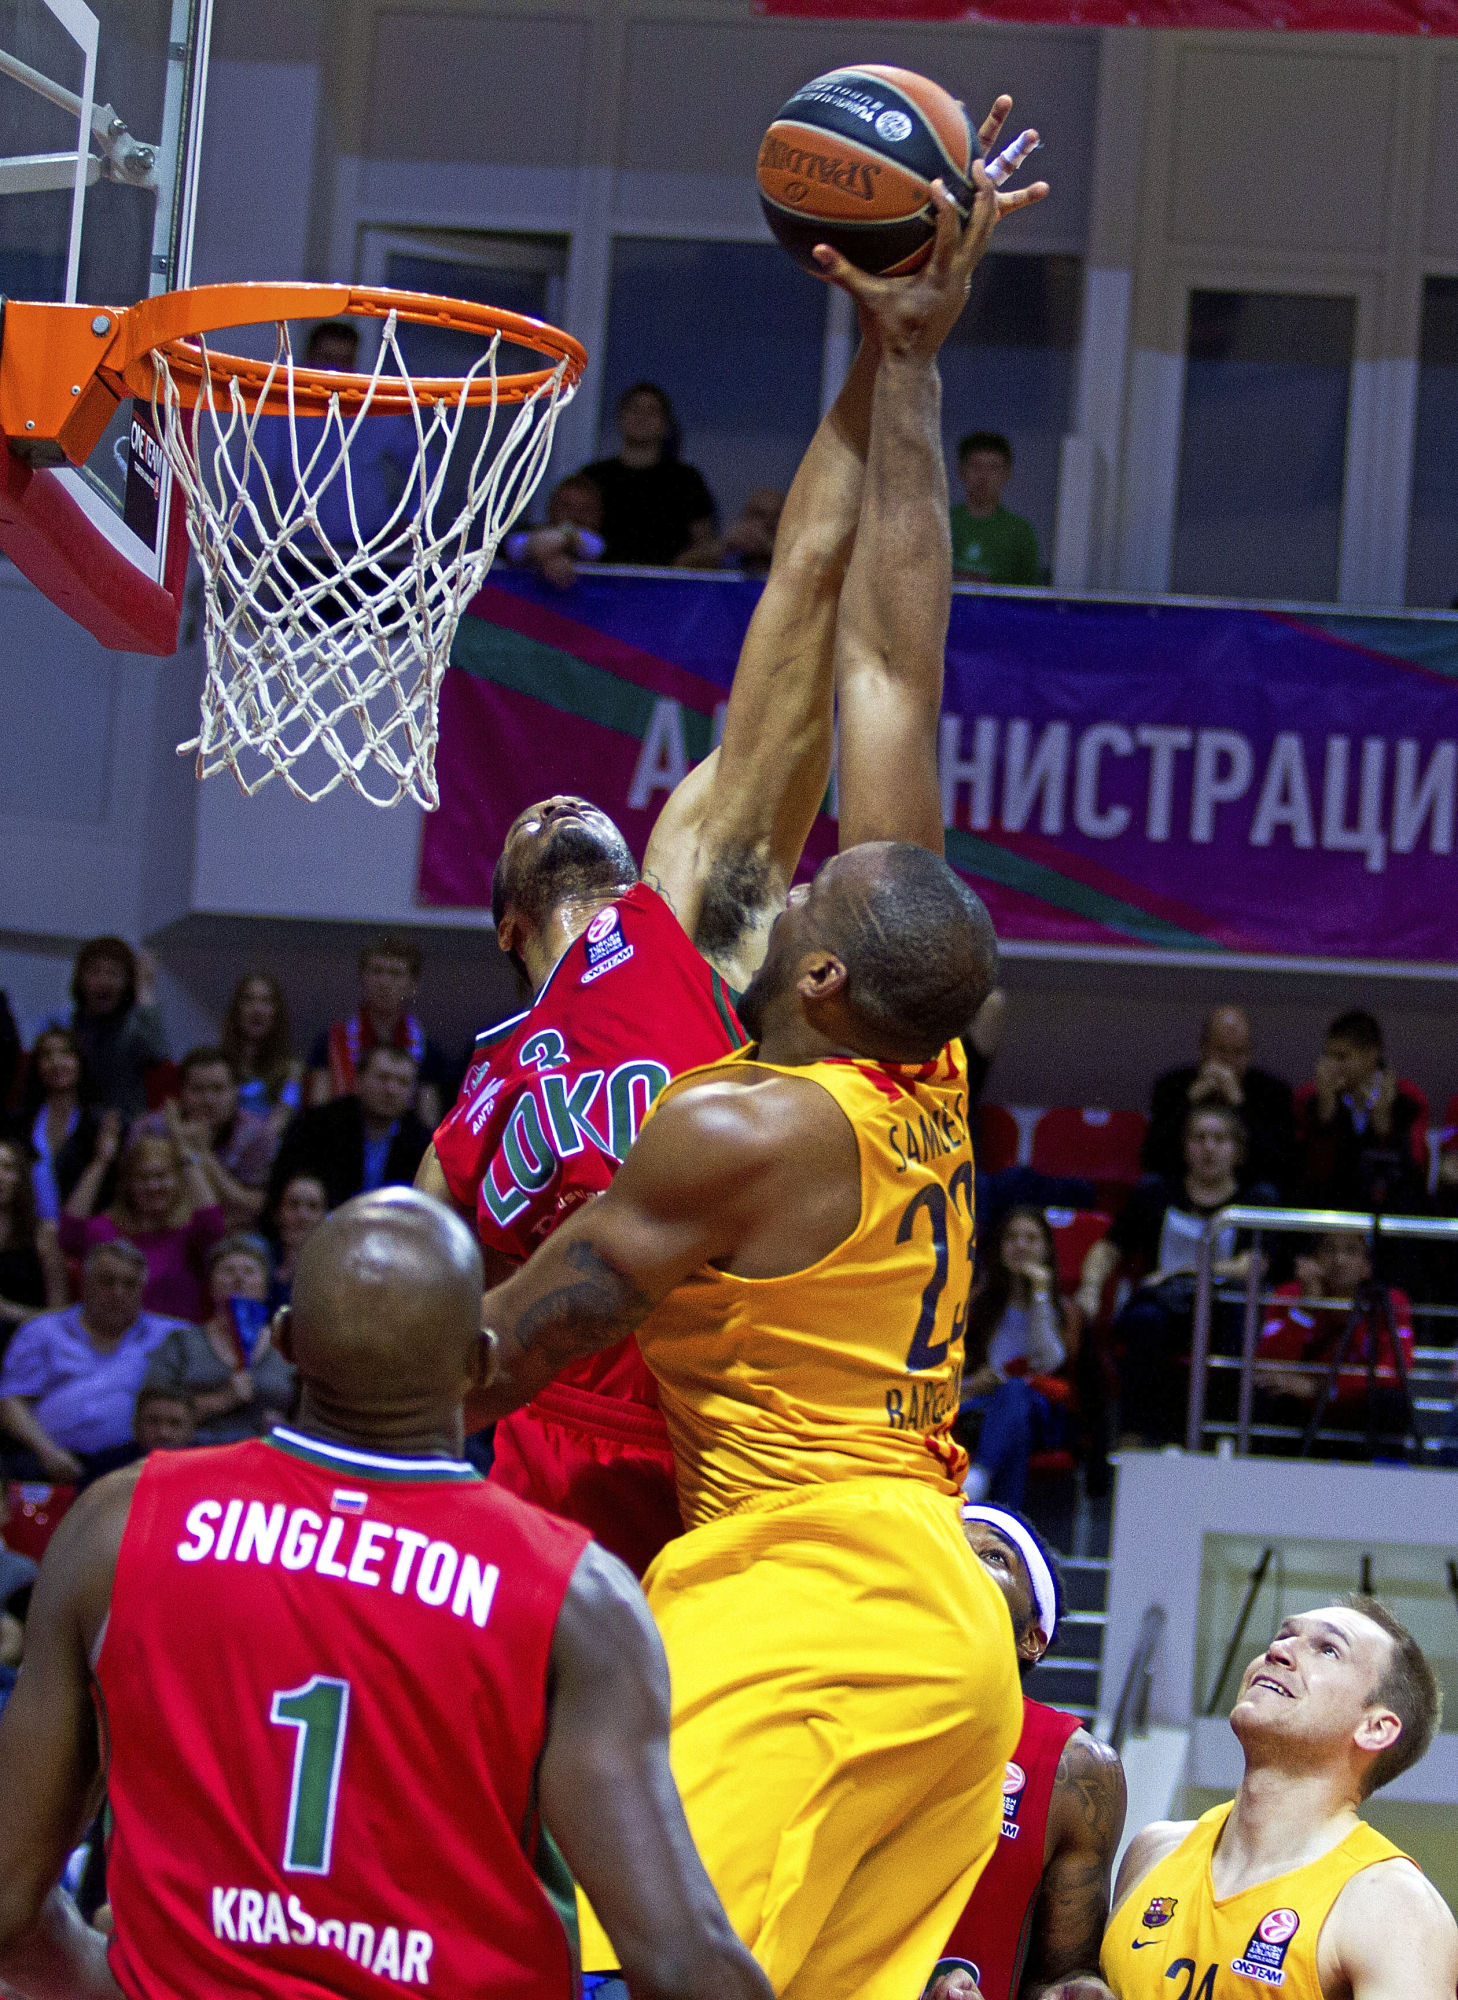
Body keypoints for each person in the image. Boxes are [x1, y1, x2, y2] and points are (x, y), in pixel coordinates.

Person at [469, 139, 1048, 2000]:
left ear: (793, 957)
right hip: (647, 1488)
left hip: (710, 1494)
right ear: (497, 928)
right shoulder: (500, 1068)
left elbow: (836, 620)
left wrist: (874, 351)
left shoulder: (695, 916)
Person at [0, 1188, 774, 2000]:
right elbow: (683, 1965)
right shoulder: (577, 1597)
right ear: (480, 1361)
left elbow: (11, 1905)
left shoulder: (117, 1526)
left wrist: (99, 1982)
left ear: (288, 1342)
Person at [1101, 1596, 1456, 1999]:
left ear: (1375, 1728)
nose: (1278, 1650)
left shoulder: (1392, 1907)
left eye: (1328, 1650)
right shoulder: (1154, 1851)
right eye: (1284, 1635)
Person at [926, 1504, 1126, 2000]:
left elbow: (1059, 1972)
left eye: (993, 1556)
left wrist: (1075, 1991)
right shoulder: (832, 1705)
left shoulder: (1075, 1768)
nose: (958, 1558)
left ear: (1033, 1637)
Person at [1077, 1103, 1268, 1447]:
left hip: (1222, 1305)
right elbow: (1108, 1249)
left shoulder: (1256, 1199)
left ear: (1237, 1151)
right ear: (1185, 1147)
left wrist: (1183, 1271)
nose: (1209, 1147)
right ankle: (1136, 1434)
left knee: (1237, 1323)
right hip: (1163, 1305)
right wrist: (1090, 1289)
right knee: (1144, 1321)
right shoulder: (1155, 1193)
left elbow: (1252, 1265)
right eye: (1199, 1138)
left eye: (1220, 1139)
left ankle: (1223, 1436)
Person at [0, 1240, 185, 1484]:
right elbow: (9, 1400)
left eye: (129, 1284)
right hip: (48, 1463)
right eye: (107, 1281)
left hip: (136, 1468)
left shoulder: (172, 1336)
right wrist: (48, 1453)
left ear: (143, 1289)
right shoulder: (42, 1331)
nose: (118, 1292)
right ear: (85, 1284)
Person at [1255, 1230, 1416, 1457]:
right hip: (1304, 1414)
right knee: (1267, 1392)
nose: (1339, 1260)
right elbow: (1266, 1367)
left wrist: (1322, 1389)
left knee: (1392, 1401)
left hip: (1354, 1410)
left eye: (1351, 1251)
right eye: (1329, 1249)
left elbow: (1395, 1372)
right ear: (1313, 1258)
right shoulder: (1289, 1294)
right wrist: (1305, 1309)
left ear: (1366, 1265)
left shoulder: (1389, 1302)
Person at [139, 1232, 296, 1446]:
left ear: (265, 1286)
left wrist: (288, 1429)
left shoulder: (288, 1345)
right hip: (195, 1454)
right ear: (211, 1285)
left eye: (249, 1271)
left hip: (268, 1456)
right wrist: (220, 1400)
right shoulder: (182, 1343)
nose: (239, 1279)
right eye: (228, 1271)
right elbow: (153, 1413)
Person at [960, 1207, 1070, 1508]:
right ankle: (1008, 1525)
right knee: (1014, 1426)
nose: (1020, 1246)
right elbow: (955, 1375)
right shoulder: (978, 1304)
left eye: (1031, 1239)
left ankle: (980, 1475)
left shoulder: (1062, 1308)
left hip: (1041, 1411)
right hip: (985, 1408)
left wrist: (1039, 1294)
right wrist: (973, 1384)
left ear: (1046, 1248)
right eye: (1012, 1238)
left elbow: (1050, 1361)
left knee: (1017, 1391)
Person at [60, 1125, 225, 1324]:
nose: (152, 1186)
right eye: (142, 1178)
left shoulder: (189, 1234)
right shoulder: (106, 1230)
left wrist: (185, 1156)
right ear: (128, 1184)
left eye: (161, 1176)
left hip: (175, 1346)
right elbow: (69, 1235)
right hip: (113, 1344)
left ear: (178, 1180)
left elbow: (213, 1226)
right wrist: (101, 1162)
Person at [1143, 1005, 1296, 1194]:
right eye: (1221, 1050)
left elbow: (1279, 1165)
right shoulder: (1172, 1085)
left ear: (1250, 1053)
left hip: (1245, 1186)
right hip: (1182, 1183)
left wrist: (1240, 1104)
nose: (1228, 1061)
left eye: (1238, 1052)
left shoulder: (1273, 1091)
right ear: (1203, 1049)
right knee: (1150, 1186)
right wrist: (1189, 1102)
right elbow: (1152, 1157)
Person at [305, 934, 450, 1127]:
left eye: (395, 973)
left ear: (412, 986)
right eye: (376, 971)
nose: (384, 982)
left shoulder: (428, 1052)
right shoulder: (330, 1043)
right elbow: (316, 1118)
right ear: (362, 979)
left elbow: (428, 1125)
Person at [1296, 1009, 1426, 1213]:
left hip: (1388, 1203)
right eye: (1327, 1055)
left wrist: (1384, 1126)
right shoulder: (1310, 1097)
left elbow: (1415, 1170)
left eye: (1342, 1057)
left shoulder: (1408, 1098)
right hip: (1331, 1201)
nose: (1331, 1066)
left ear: (1372, 1054)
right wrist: (1325, 1114)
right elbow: (1308, 1173)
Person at [273, 1045, 430, 1212]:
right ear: (359, 1081)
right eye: (383, 1078)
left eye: (403, 1082)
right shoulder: (317, 1126)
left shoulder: (423, 1142)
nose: (391, 1090)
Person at [579, 382, 718, 567]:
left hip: (668, 589)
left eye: (652, 411)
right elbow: (571, 533)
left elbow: (704, 543)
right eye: (634, 409)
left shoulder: (686, 480)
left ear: (665, 424)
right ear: (620, 418)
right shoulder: (593, 477)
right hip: (599, 587)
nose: (641, 417)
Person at [141, 1047, 278, 1227]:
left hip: (234, 1234)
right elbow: (137, 1204)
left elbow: (254, 1208)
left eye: (218, 1089)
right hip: (162, 1230)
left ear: (235, 1092)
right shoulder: (151, 1130)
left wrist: (202, 1153)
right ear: (181, 1093)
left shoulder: (258, 1134)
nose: (208, 1100)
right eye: (197, 1090)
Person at [62, 937, 168, 1120]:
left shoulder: (133, 1028)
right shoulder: (67, 1024)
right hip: (75, 1127)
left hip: (124, 1128)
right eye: (94, 972)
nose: (103, 981)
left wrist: (145, 988)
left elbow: (156, 1053)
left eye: (113, 973)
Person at [17, 1027, 101, 1222]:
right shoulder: (20, 1124)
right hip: (33, 1236)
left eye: (65, 1053)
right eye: (47, 1056)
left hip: (88, 1234)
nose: (56, 1063)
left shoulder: (98, 1123)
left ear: (80, 1061)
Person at [950, 433, 1040, 586]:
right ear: (961, 470)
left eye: (993, 467)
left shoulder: (1021, 532)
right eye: (975, 466)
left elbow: (1029, 597)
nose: (983, 476)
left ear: (1007, 474)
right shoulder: (942, 524)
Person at [0, 1138, 66, 1348]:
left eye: (8, 1167)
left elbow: (59, 1313)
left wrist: (10, 1313)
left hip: (31, 1342)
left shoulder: (44, 1233)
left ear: (21, 1176)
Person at [219, 973, 304, 1133]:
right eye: (249, 1000)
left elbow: (281, 1121)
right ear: (237, 1008)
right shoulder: (218, 1066)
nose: (257, 1009)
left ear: (276, 1012)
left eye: (266, 1001)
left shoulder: (292, 1071)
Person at [502, 472, 607, 588]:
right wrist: (550, 558)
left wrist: (565, 536)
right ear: (551, 508)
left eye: (585, 508)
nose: (575, 514)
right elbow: (515, 546)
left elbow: (593, 547)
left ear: (599, 513)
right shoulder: (523, 534)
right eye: (566, 506)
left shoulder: (603, 545)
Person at [264, 1171, 329, 1311]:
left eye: (313, 1207)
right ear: (277, 1212)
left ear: (325, 1216)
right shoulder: (260, 1259)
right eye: (293, 1205)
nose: (302, 1216)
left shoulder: (337, 1268)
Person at [130, 1384, 196, 1453]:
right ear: (136, 1425)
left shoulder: (205, 1461)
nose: (163, 1434)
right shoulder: (120, 1461)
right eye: (153, 1422)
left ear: (190, 1430)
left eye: (174, 1423)